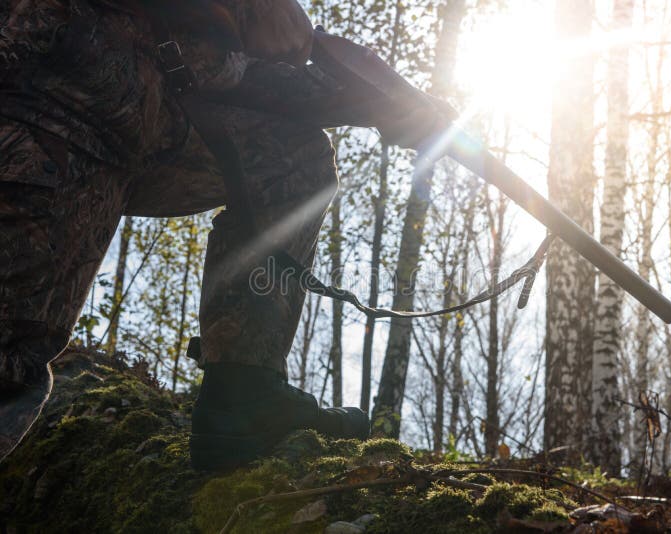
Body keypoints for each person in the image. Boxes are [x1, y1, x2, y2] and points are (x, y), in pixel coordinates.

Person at [0, 0, 440, 470]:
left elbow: (212, 68)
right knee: (10, 355)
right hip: (48, 95)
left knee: (292, 158)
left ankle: (241, 399)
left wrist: (386, 102)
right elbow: (204, 64)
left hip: (144, 110)